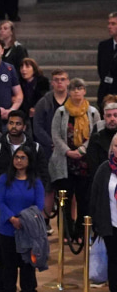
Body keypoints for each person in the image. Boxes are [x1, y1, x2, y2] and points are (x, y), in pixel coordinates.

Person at [0, 145, 44, 292]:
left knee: (27, 264)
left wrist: (23, 219)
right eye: (17, 157)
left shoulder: (35, 181)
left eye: (23, 157)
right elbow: (0, 201)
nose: (19, 160)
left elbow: (39, 204)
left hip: (27, 229)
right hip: (7, 228)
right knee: (8, 264)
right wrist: (12, 218)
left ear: (29, 161)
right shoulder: (4, 179)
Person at [50, 79, 100, 243]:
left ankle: (80, 233)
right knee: (65, 200)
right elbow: (56, 135)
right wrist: (68, 151)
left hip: (85, 163)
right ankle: (66, 233)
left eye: (80, 88)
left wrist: (81, 150)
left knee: (83, 200)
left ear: (85, 91)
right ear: (69, 92)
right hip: (65, 163)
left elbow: (95, 135)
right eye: (73, 89)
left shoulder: (92, 112)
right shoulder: (62, 112)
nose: (77, 92)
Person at [88, 134, 117, 292]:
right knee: (114, 262)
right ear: (112, 148)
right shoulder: (104, 169)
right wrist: (96, 224)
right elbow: (95, 197)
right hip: (111, 225)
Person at [85, 98, 117, 179]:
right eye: (109, 116)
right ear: (104, 117)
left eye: (115, 115)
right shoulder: (96, 138)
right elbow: (92, 165)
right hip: (102, 179)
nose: (112, 119)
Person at [98, 13, 117, 105]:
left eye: (113, 24)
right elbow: (101, 70)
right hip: (106, 94)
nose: (109, 26)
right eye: (109, 23)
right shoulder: (103, 46)